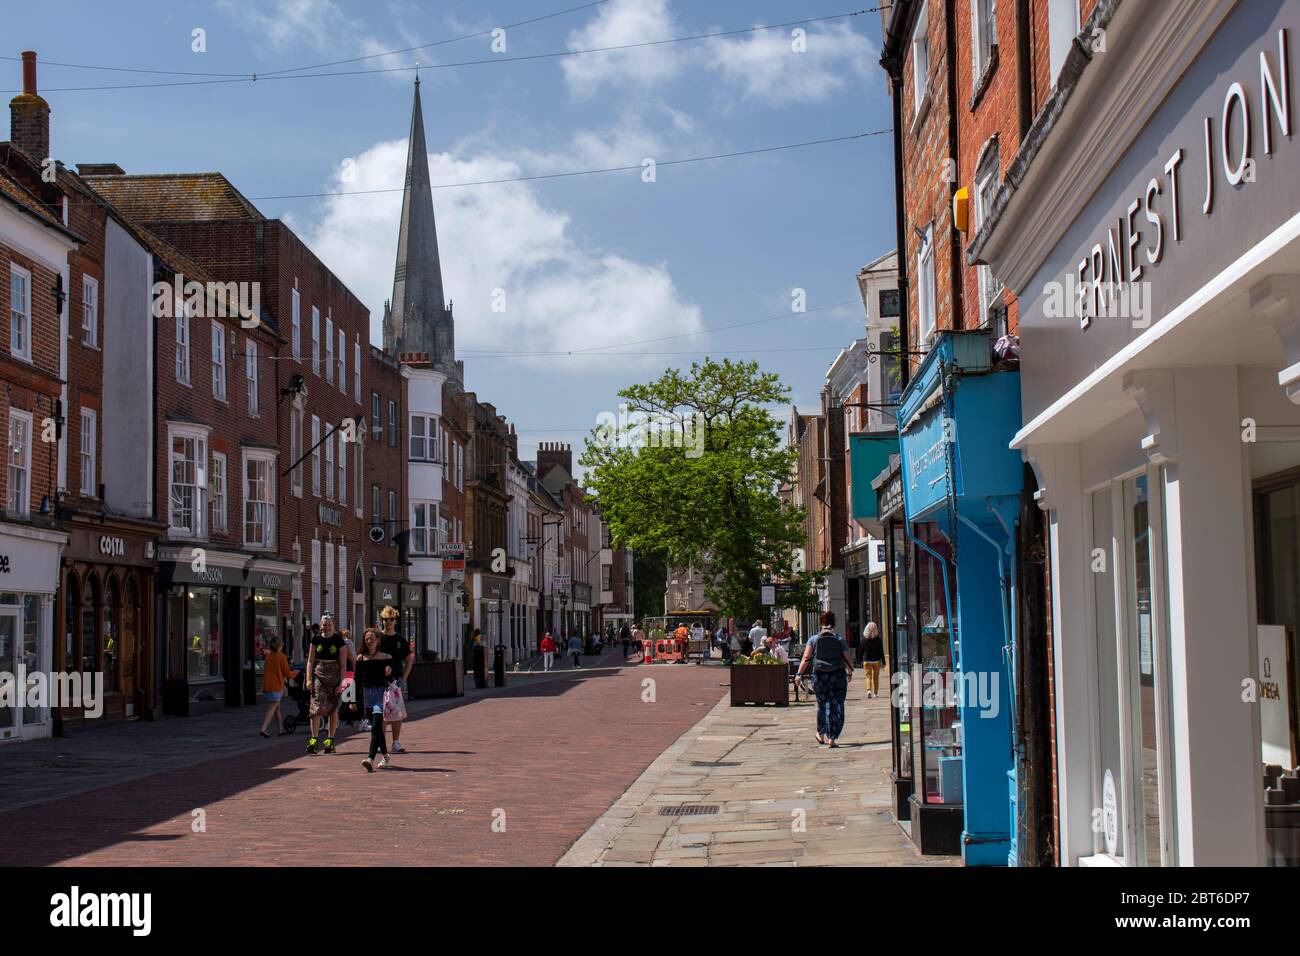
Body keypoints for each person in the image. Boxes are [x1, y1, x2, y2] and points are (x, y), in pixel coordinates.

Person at [796, 611, 854, 747]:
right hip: (838, 675)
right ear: (833, 624)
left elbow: (806, 658)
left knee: (822, 704)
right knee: (837, 704)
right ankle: (832, 738)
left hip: (820, 676)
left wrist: (799, 674)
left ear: (821, 624)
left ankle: (820, 734)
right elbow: (848, 658)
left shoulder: (814, 639)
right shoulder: (839, 639)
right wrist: (850, 671)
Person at [305, 614, 348, 754]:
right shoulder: (316, 639)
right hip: (319, 673)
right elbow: (310, 661)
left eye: (329, 625)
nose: (326, 627)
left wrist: (342, 682)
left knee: (332, 708)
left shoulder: (338, 640)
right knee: (315, 707)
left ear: (333, 626)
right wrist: (309, 679)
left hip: (334, 674)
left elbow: (343, 664)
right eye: (324, 624)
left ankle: (330, 740)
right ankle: (314, 739)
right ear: (320, 626)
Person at [355, 627, 394, 771]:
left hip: (381, 694)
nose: (369, 641)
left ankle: (370, 758)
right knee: (377, 729)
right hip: (367, 696)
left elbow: (391, 678)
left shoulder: (386, 657)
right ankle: (385, 755)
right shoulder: (360, 658)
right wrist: (352, 701)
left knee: (376, 727)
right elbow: (356, 681)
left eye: (371, 638)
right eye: (366, 639)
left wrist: (389, 673)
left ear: (377, 640)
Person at [378, 606, 412, 753]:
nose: (388, 622)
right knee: (381, 712)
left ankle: (396, 742)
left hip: (395, 680)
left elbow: (409, 659)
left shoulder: (401, 640)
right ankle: (381, 743)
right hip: (379, 679)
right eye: (386, 619)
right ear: (382, 620)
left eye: (391, 619)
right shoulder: (378, 638)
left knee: (396, 712)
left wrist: (404, 678)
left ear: (395, 621)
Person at [259, 638, 297, 737]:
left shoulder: (268, 657)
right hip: (276, 686)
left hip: (267, 685)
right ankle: (264, 728)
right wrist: (295, 674)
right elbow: (287, 672)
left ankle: (280, 728)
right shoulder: (281, 657)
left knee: (276, 708)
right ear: (280, 646)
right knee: (272, 708)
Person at [860, 621, 885, 699]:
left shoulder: (864, 639)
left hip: (866, 660)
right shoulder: (878, 639)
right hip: (876, 661)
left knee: (868, 677)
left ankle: (869, 691)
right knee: (876, 677)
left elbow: (860, 650)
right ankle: (876, 693)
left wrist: (859, 659)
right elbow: (881, 651)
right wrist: (883, 660)